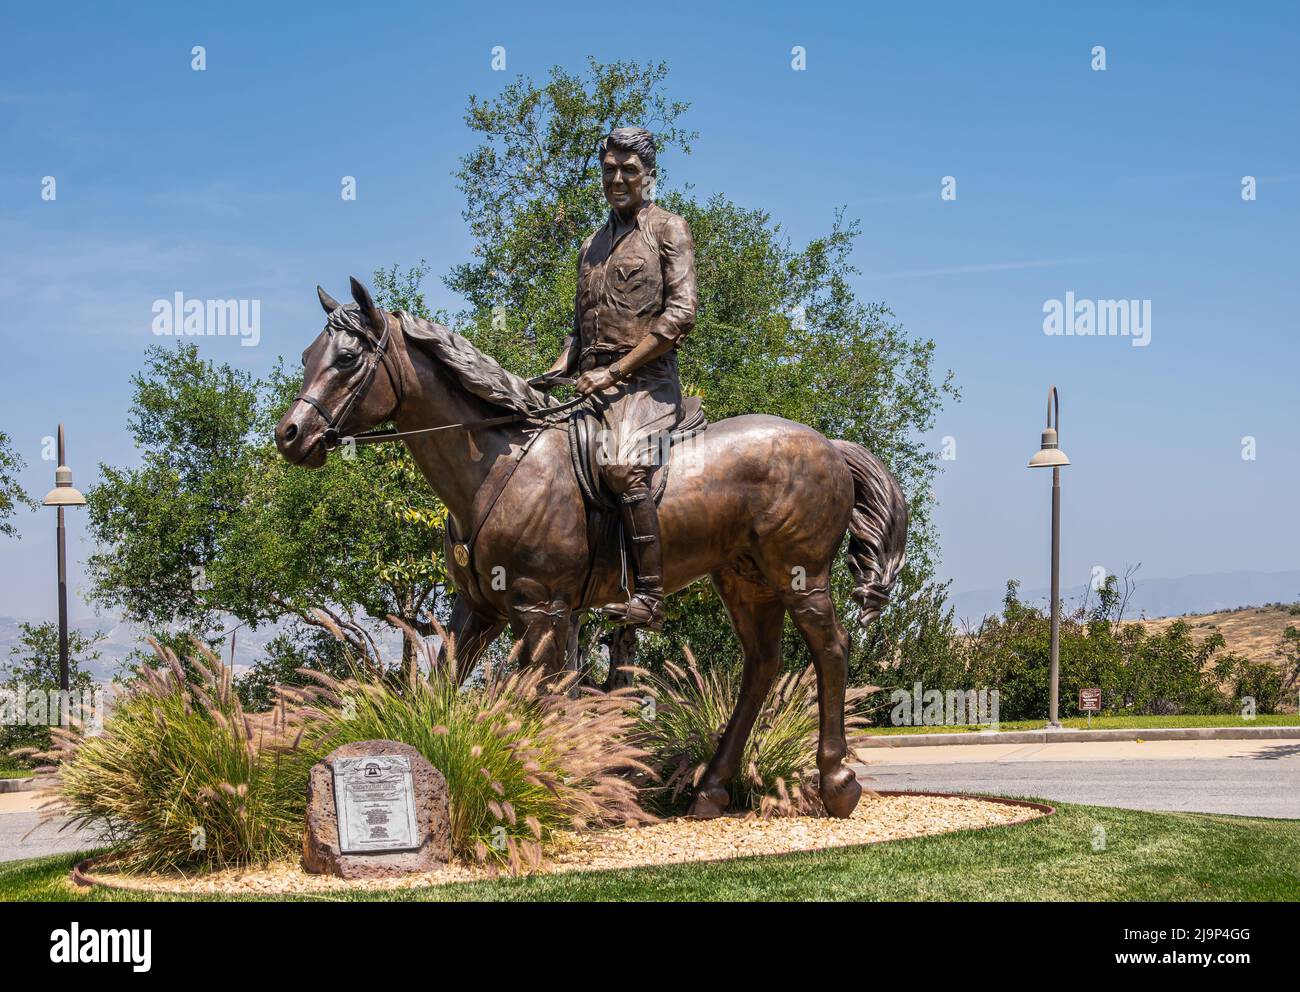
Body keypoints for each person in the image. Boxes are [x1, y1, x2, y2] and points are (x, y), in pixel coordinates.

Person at [542, 127, 697, 630]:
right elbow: (579, 324)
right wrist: (561, 366)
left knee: (620, 465)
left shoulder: (668, 230)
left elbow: (680, 317)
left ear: (649, 175)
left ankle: (650, 597)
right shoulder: (591, 244)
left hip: (645, 381)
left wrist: (614, 371)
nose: (617, 179)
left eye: (628, 170)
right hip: (591, 380)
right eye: (609, 169)